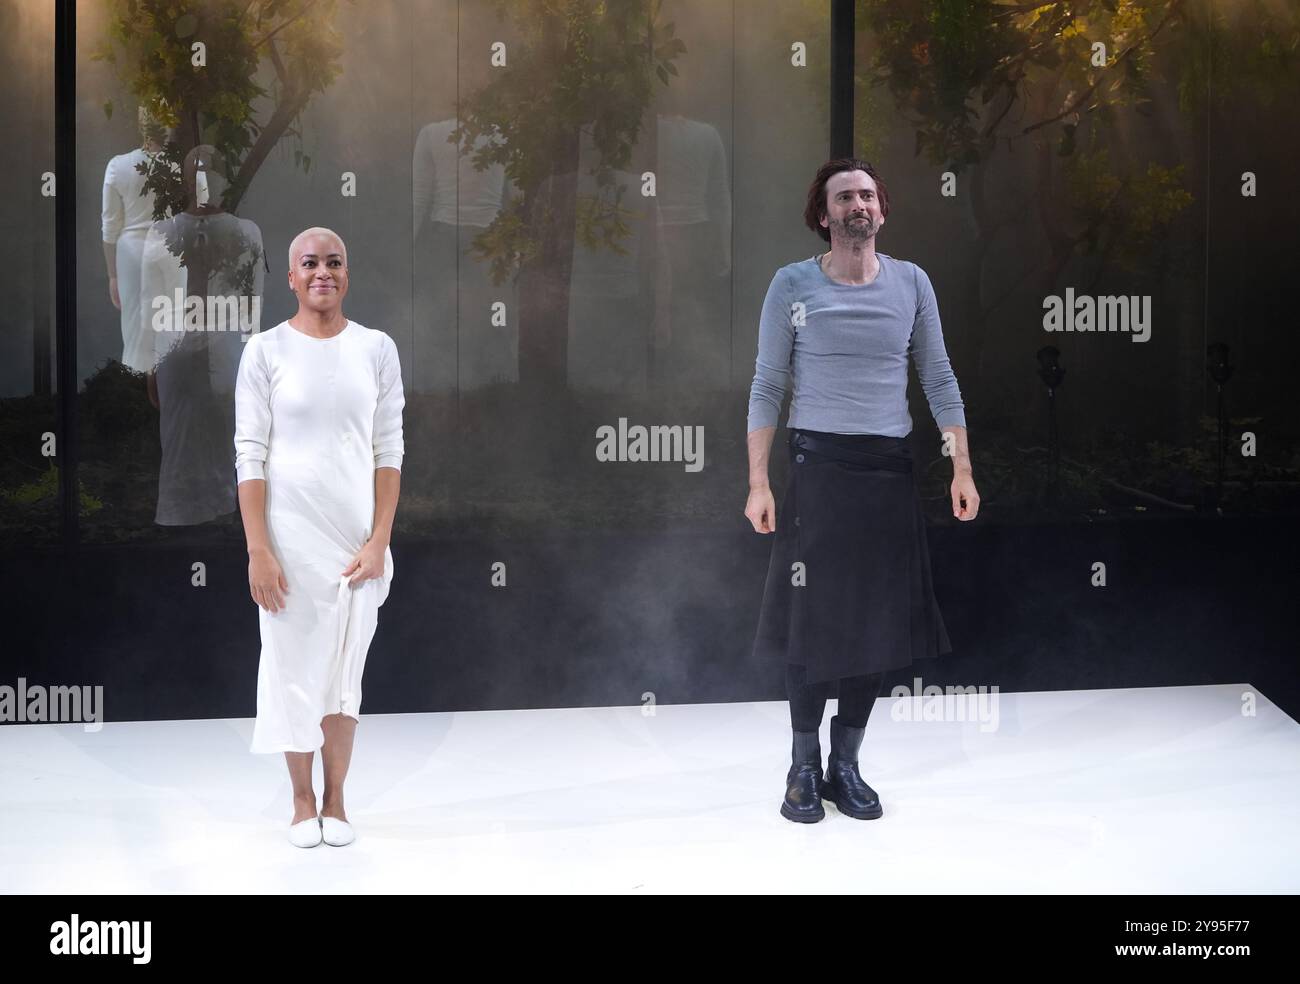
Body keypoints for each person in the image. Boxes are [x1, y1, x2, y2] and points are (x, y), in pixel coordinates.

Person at [745, 159, 980, 824]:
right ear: (823, 215)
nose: (859, 204)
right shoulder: (791, 284)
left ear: (882, 210)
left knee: (876, 628)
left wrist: (961, 467)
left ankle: (845, 764)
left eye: (868, 194)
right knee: (812, 626)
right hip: (818, 471)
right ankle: (802, 765)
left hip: (887, 471)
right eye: (844, 196)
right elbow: (767, 384)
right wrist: (759, 482)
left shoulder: (911, 283)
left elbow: (938, 377)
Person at [233, 227, 405, 847]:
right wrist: (259, 548)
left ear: (347, 274)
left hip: (357, 541)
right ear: (291, 277)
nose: (322, 272)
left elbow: (390, 449)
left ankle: (338, 800)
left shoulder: (377, 349)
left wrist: (380, 538)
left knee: (343, 672)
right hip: (288, 540)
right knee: (292, 669)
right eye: (310, 264)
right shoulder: (265, 352)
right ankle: (302, 801)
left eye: (334, 262)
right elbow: (249, 456)